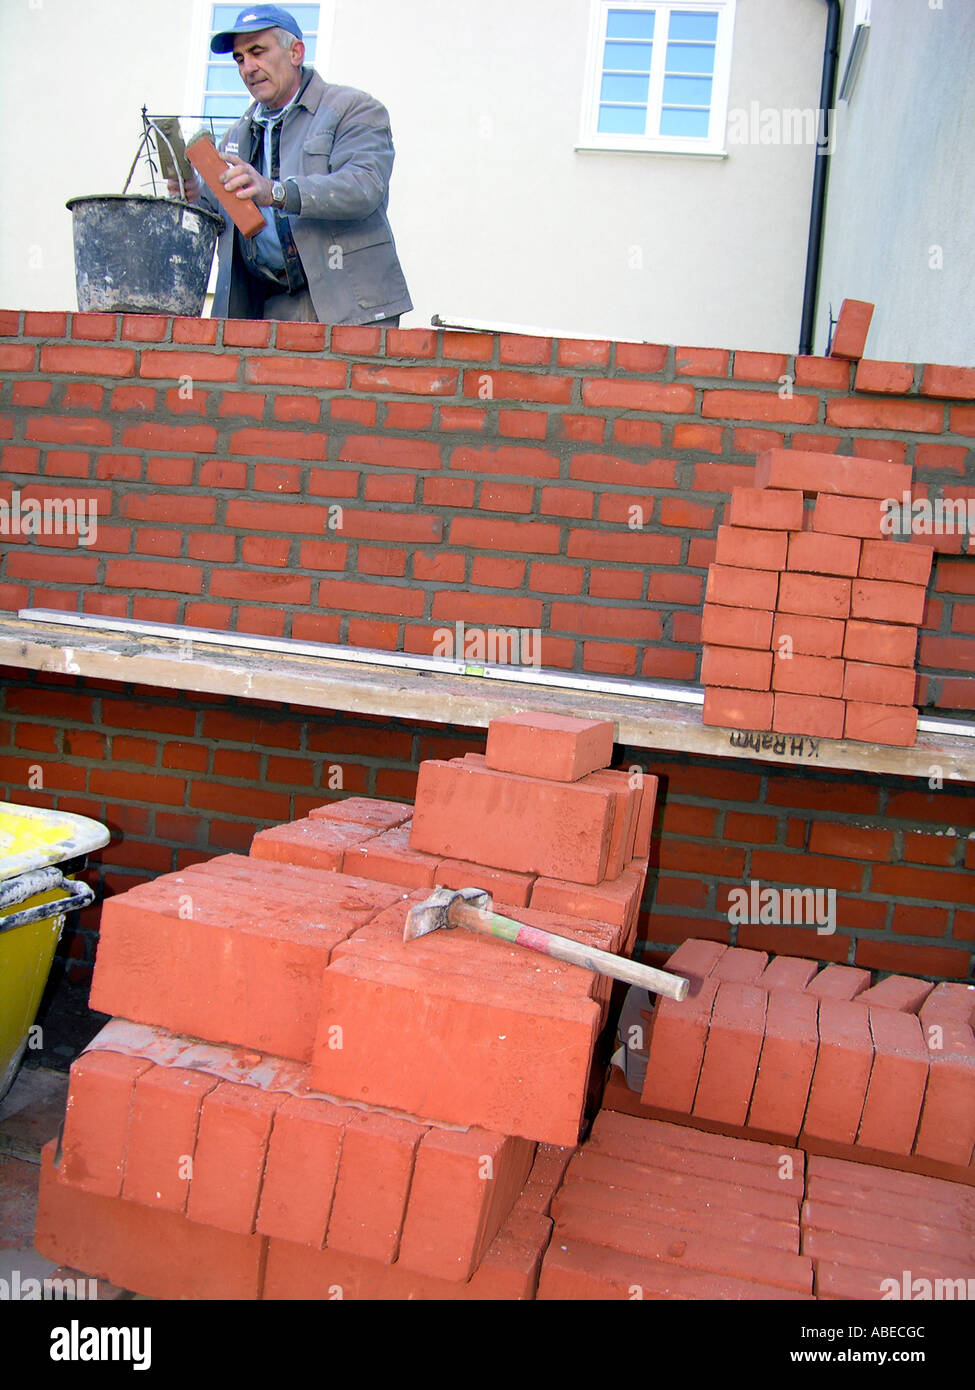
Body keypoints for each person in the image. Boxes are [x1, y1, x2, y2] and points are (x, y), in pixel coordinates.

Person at [171, 4, 412, 325]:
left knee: (351, 379)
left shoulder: (353, 109)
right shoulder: (235, 136)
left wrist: (277, 192)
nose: (248, 68)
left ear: (296, 52)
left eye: (258, 52)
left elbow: (363, 187)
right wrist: (193, 196)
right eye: (240, 59)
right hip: (267, 305)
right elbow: (217, 215)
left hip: (350, 304)